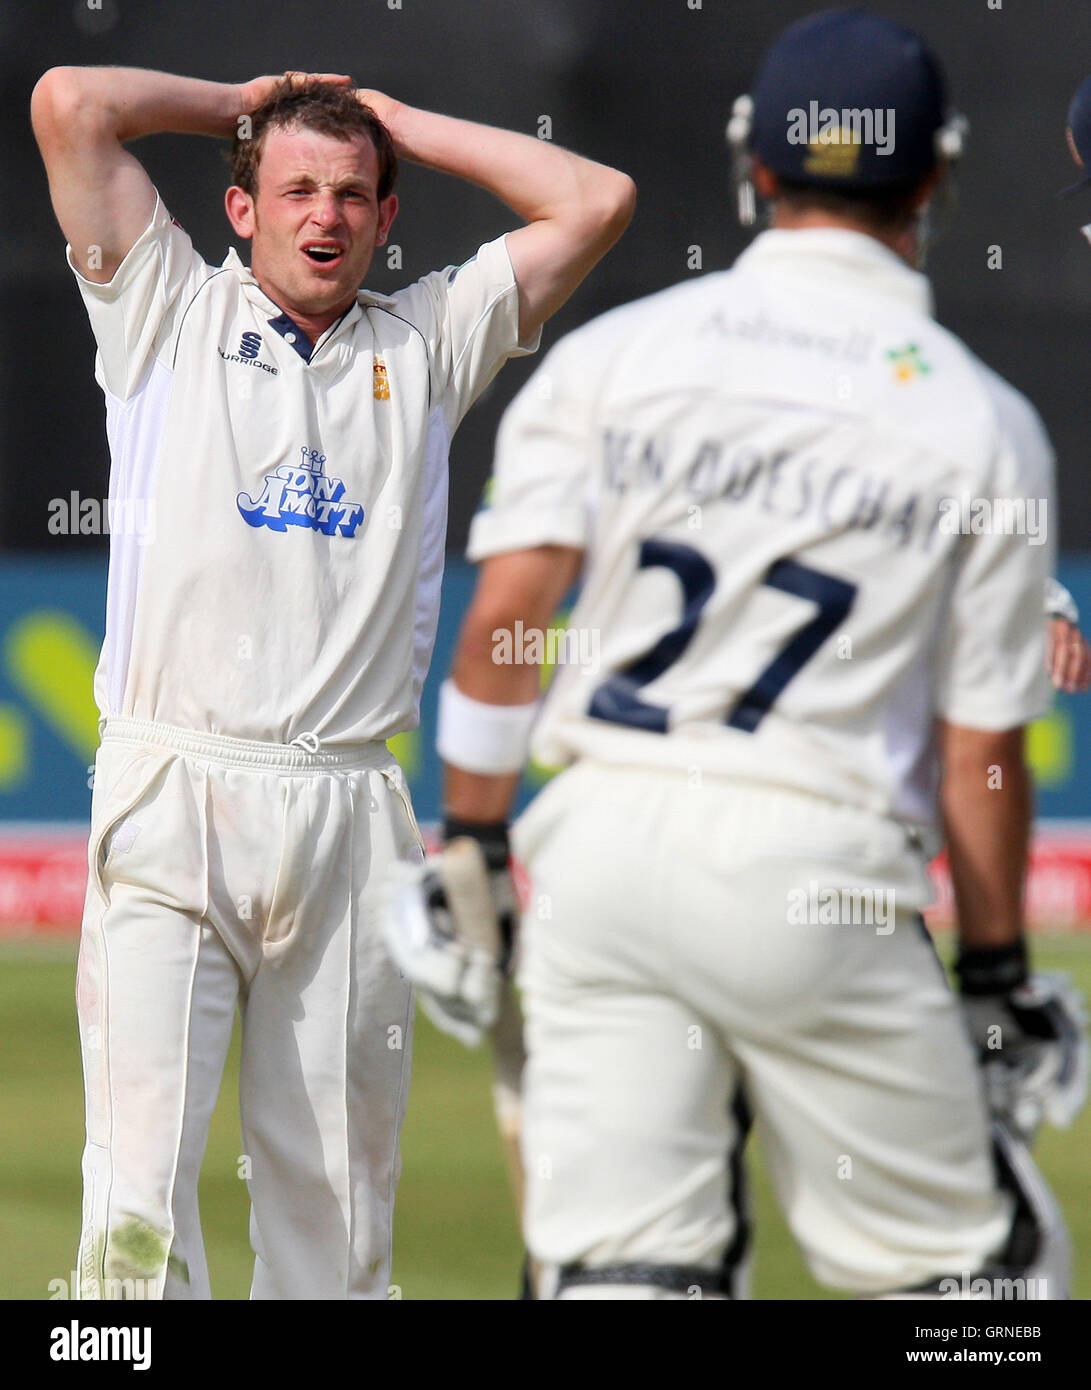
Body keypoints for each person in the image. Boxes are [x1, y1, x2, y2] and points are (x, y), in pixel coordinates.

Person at [387, 10, 1088, 1299]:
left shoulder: (612, 357)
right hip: (813, 866)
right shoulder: (979, 422)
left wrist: (473, 843)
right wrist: (995, 976)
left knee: (624, 1273)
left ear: (751, 167)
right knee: (975, 1280)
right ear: (932, 175)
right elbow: (980, 754)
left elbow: (507, 625)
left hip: (593, 858)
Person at [30, 63, 634, 1300]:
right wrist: (242, 103)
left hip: (351, 811)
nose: (326, 214)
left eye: (355, 193)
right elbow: (67, 103)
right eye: (296, 187)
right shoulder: (163, 307)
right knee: (132, 1214)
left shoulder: (426, 341)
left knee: (339, 1220)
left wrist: (402, 124)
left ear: (386, 216)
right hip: (173, 790)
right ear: (241, 210)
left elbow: (595, 200)